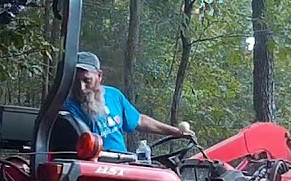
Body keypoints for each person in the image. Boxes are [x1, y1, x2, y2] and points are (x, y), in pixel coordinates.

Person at [62, 51, 194, 153]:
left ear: (99, 76)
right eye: (76, 80)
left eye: (87, 80)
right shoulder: (69, 109)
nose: (81, 87)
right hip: (94, 169)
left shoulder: (114, 95)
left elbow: (140, 121)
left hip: (122, 164)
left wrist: (176, 132)